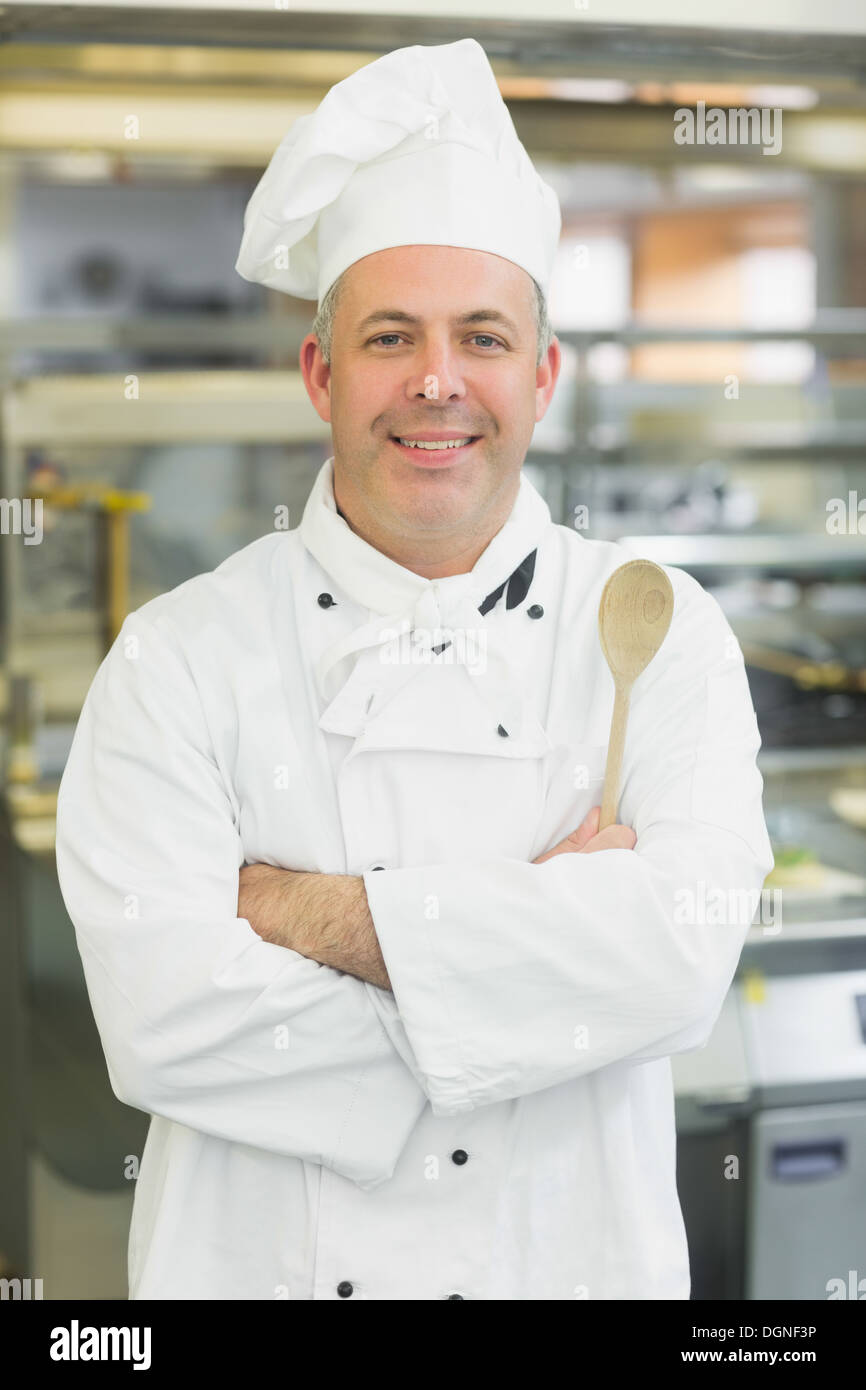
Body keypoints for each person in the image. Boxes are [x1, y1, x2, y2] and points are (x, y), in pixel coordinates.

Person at [55, 37, 773, 1300]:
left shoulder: (657, 628)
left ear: (540, 375)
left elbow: (680, 956)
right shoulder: (178, 657)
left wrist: (294, 909)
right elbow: (162, 1023)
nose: (436, 382)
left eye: (481, 336)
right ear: (322, 373)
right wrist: (543, 949)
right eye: (391, 336)